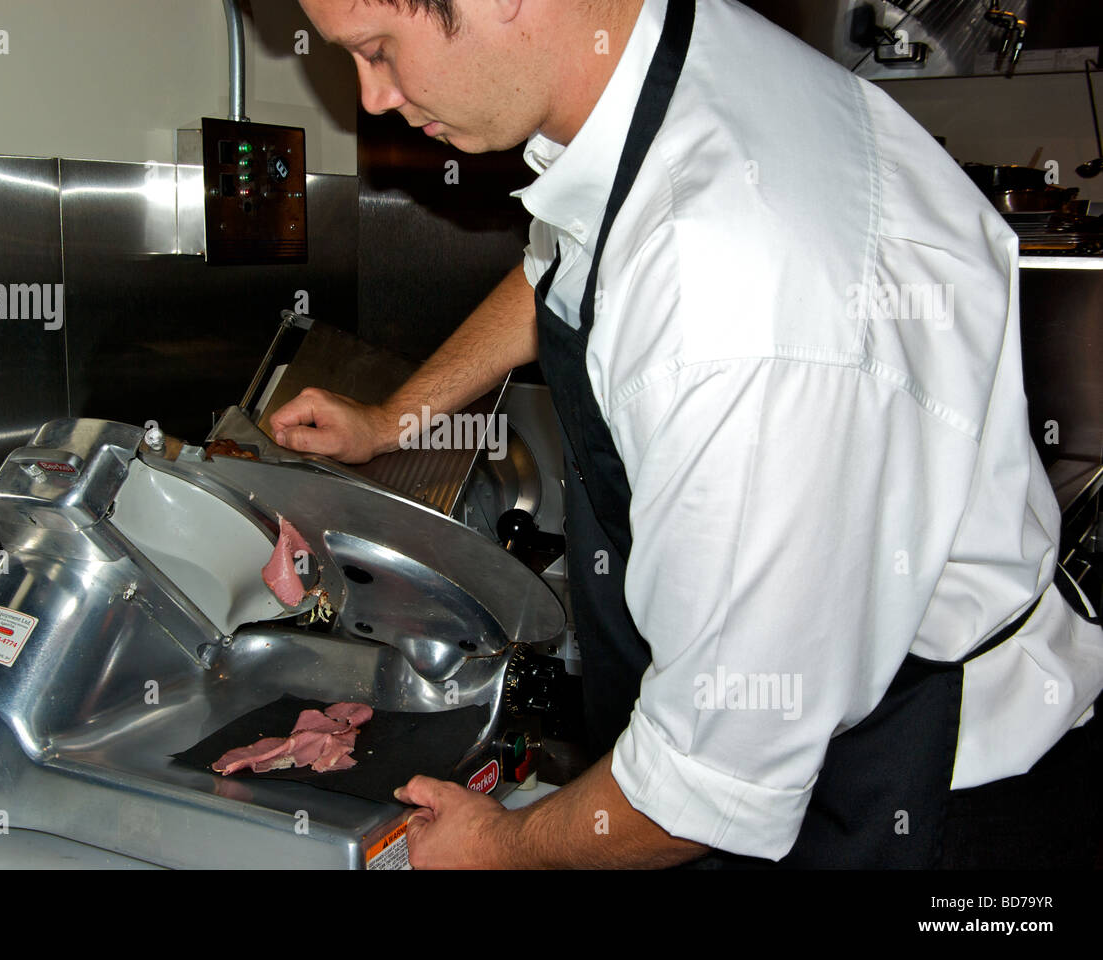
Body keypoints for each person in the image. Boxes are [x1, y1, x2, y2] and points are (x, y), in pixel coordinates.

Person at [279, 0, 1103, 868]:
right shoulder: (655, 67)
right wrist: (395, 416)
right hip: (837, 744)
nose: (371, 97)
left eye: (377, 50)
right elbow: (564, 264)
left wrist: (499, 847)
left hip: (923, 797)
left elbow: (704, 784)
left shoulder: (735, 290)